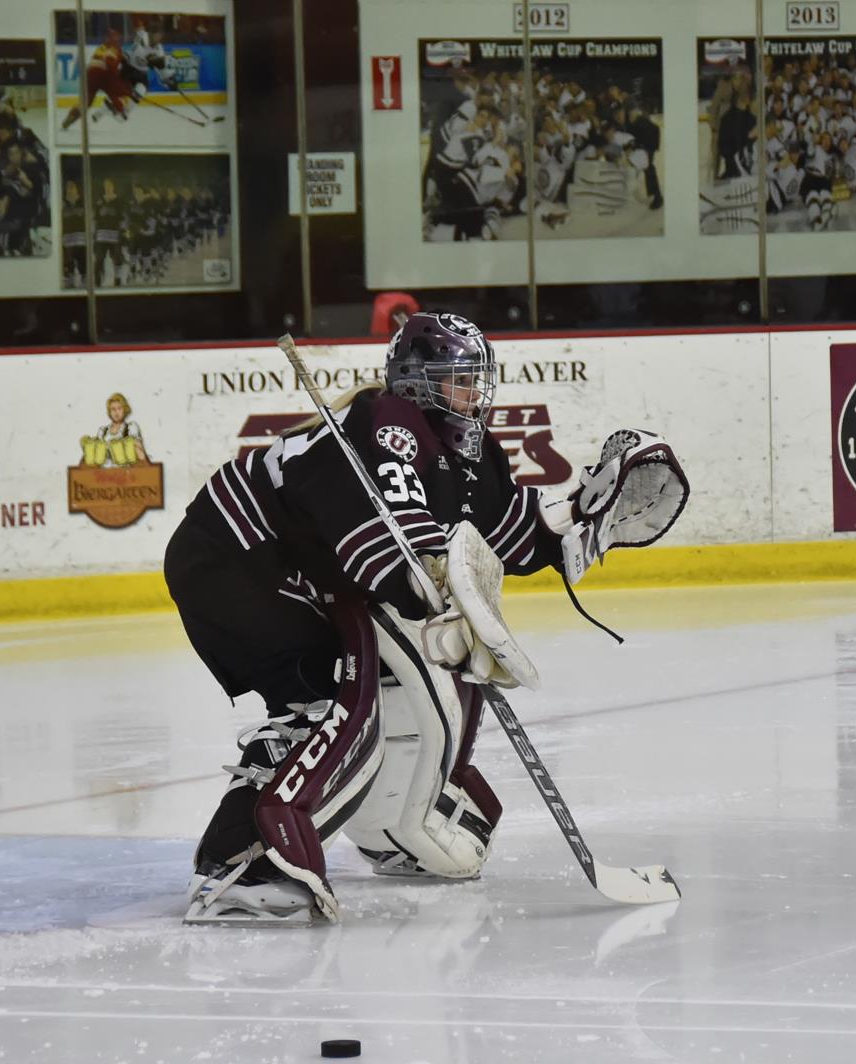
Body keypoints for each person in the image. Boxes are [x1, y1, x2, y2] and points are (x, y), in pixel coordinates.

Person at [164, 312, 688, 924]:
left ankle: (390, 832)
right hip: (236, 562)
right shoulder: (390, 423)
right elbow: (393, 555)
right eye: (458, 378)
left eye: (477, 378)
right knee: (325, 708)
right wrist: (438, 601)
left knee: (384, 692)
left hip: (282, 570)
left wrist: (579, 511)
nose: (474, 393)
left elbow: (506, 533)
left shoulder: (467, 451)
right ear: (417, 382)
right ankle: (240, 867)